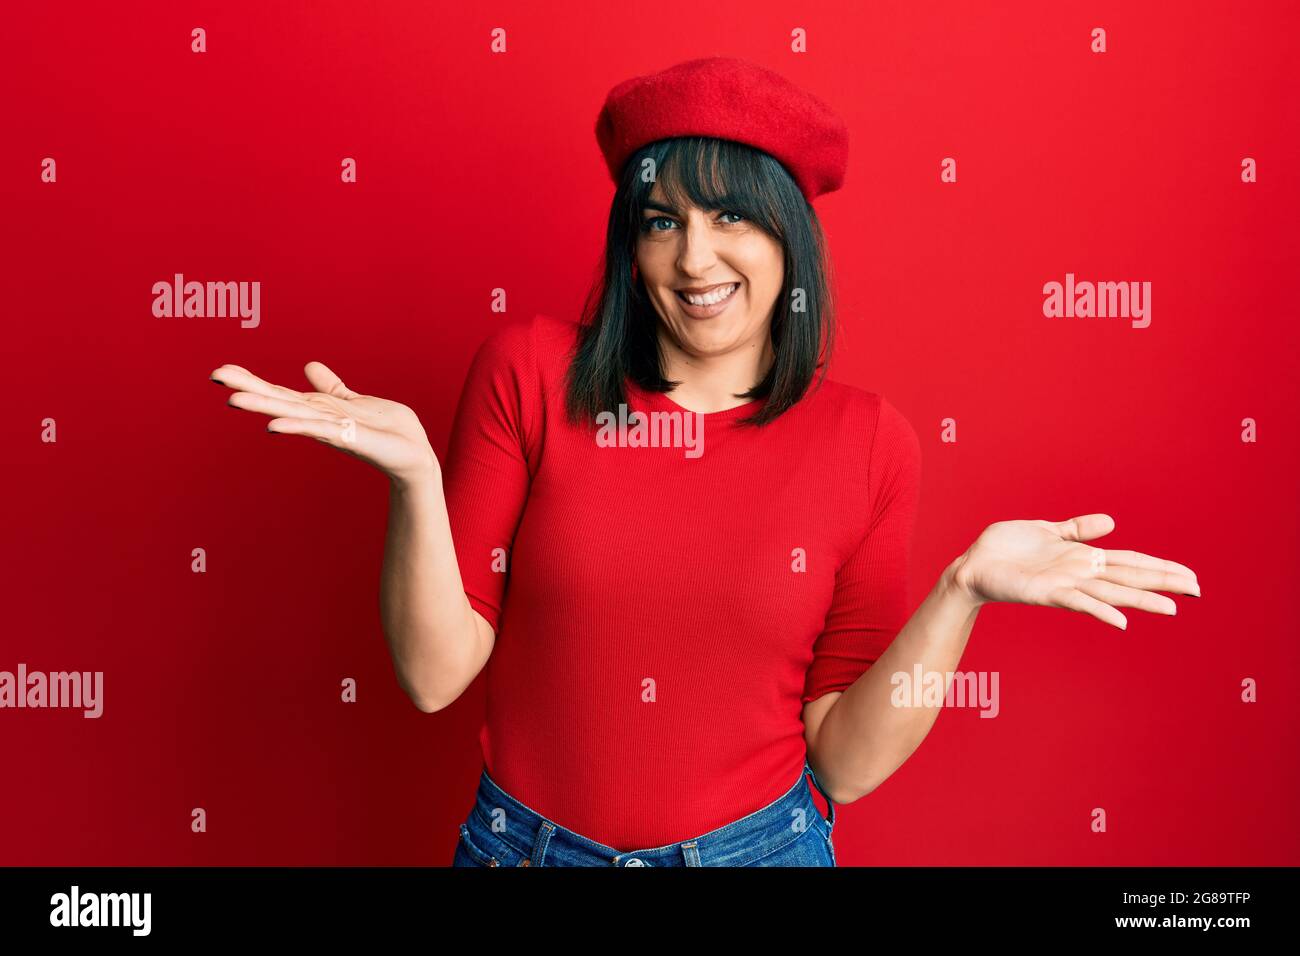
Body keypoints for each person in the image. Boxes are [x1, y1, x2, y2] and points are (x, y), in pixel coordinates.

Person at [208, 57, 1200, 867]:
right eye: (661, 220)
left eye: (730, 217)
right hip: (524, 849)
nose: (693, 260)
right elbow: (433, 676)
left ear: (789, 235)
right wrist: (417, 482)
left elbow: (844, 763)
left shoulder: (868, 441)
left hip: (759, 852)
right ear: (629, 243)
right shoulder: (527, 373)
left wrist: (961, 591)